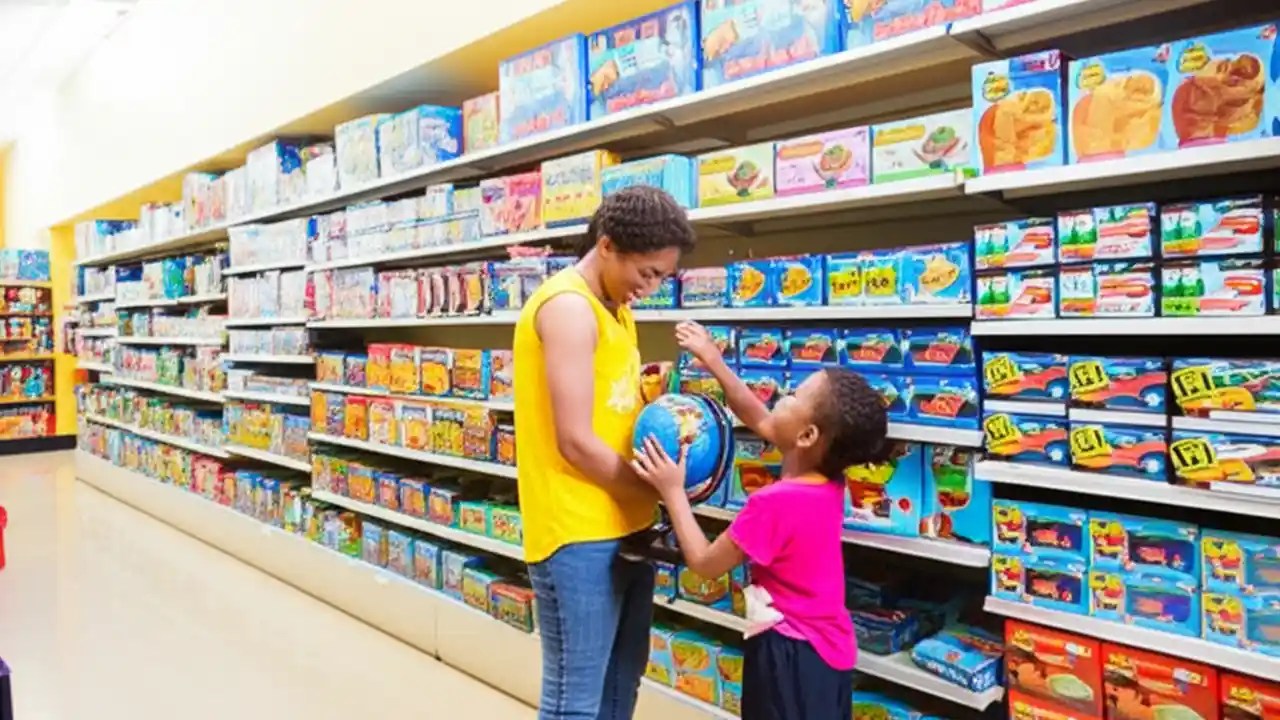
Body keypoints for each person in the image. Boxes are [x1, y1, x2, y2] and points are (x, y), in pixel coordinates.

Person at [631, 321, 892, 720]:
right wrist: (714, 361)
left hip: (791, 655)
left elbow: (704, 564)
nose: (780, 398)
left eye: (792, 396)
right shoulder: (828, 480)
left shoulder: (774, 503)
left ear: (806, 436)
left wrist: (672, 491)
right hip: (828, 648)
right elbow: (760, 418)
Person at [513, 186, 697, 720]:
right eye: (649, 273)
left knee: (621, 686)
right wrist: (656, 487)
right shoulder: (568, 307)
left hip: (627, 523)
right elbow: (574, 442)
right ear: (609, 245)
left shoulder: (616, 307)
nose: (654, 286)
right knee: (576, 697)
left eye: (663, 276)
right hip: (577, 532)